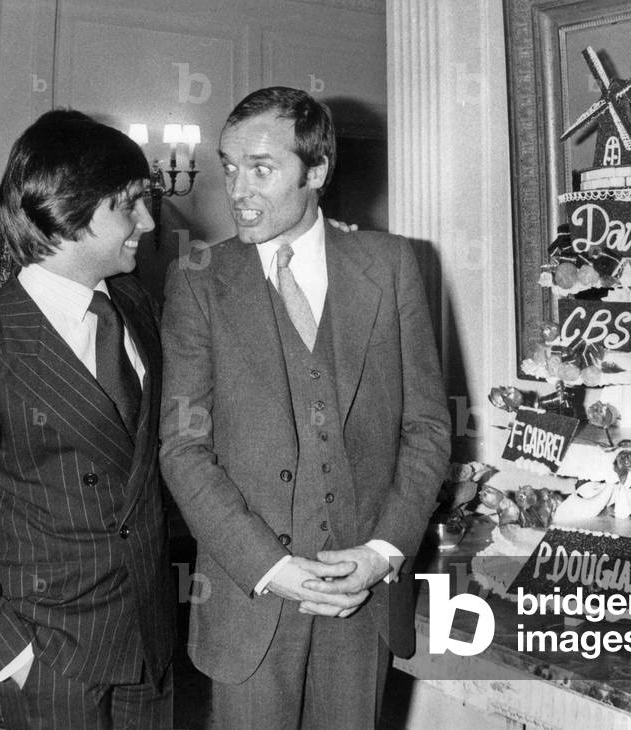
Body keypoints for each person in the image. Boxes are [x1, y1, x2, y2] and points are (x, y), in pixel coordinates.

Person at [159, 86, 450, 729]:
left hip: (362, 597)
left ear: (316, 171)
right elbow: (184, 449)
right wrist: (269, 565)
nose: (238, 189)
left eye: (262, 169)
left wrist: (383, 551)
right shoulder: (197, 279)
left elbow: (427, 428)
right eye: (229, 166)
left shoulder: (393, 264)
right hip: (250, 600)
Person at [0, 110, 176, 730]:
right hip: (54, 659)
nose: (149, 222)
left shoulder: (133, 304)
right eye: (129, 204)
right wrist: (12, 657)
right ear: (68, 212)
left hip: (150, 641)